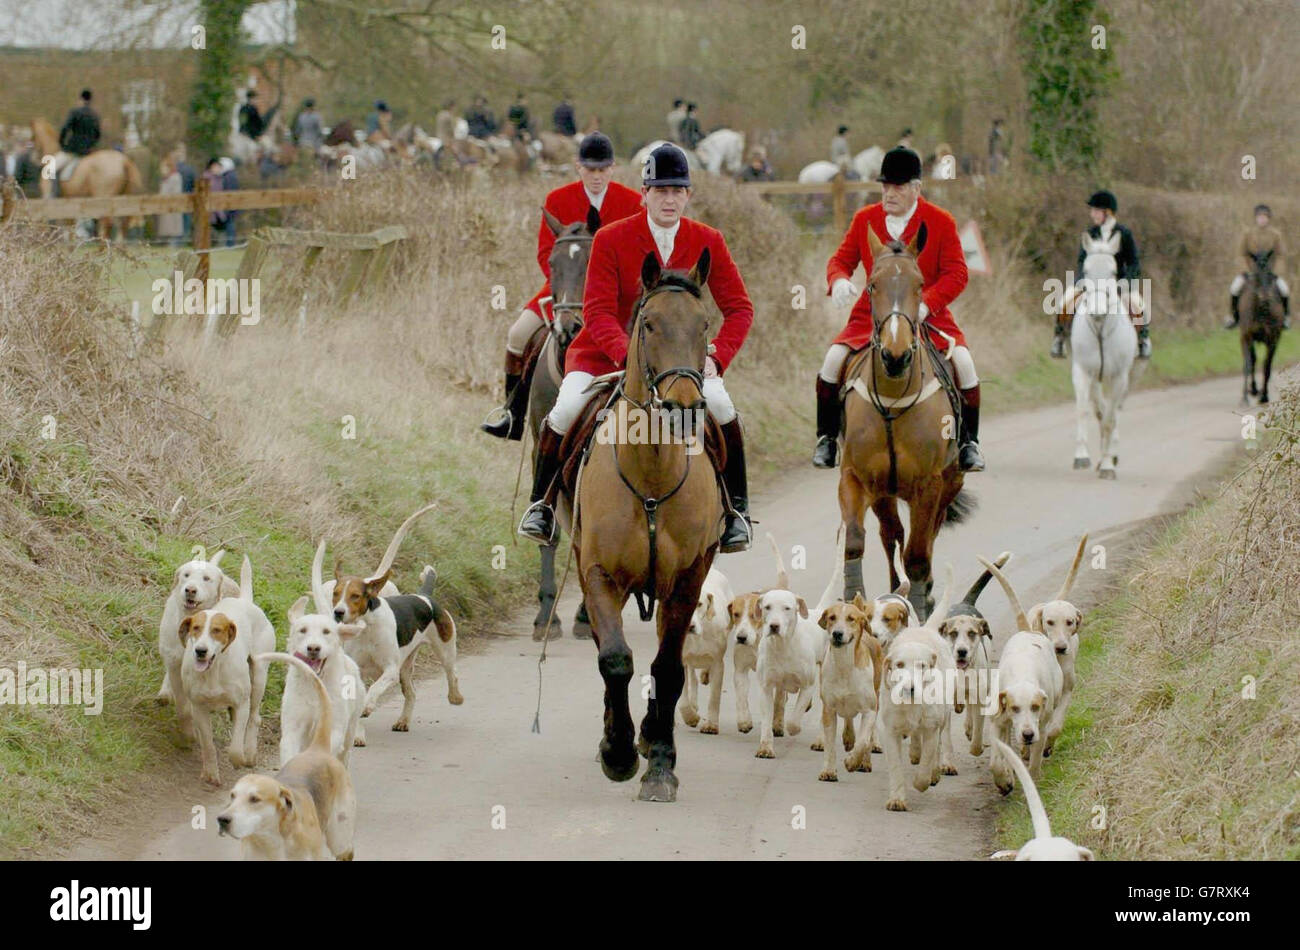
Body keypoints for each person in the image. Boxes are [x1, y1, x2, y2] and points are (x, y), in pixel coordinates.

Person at [518, 143, 755, 552]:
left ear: (688, 195)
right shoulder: (612, 237)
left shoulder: (708, 240)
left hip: (682, 365)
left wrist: (716, 356)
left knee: (722, 409)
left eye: (677, 190)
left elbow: (739, 308)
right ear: (643, 194)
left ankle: (735, 512)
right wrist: (629, 357)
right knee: (564, 409)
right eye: (660, 190)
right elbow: (595, 310)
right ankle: (541, 506)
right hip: (601, 355)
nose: (669, 198)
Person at [815, 146, 984, 472]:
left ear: (916, 189)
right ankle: (825, 439)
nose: (889, 194)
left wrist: (926, 305)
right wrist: (837, 280)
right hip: (872, 316)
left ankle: (967, 443)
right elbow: (840, 260)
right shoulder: (865, 218)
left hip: (928, 316)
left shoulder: (940, 221)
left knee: (965, 364)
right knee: (832, 360)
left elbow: (958, 274)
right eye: (886, 186)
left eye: (899, 187)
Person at [481, 132, 644, 441]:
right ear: (578, 167)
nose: (596, 176)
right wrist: (563, 290)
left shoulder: (632, 202)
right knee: (517, 335)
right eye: (589, 169)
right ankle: (512, 415)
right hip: (562, 291)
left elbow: (637, 250)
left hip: (615, 295)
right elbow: (545, 252)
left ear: (612, 168)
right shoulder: (557, 199)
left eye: (602, 169)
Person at [1051, 190, 1148, 359]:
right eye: (1092, 210)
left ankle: (1142, 340)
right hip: (1091, 281)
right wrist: (1081, 279)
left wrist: (1126, 281)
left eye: (1096, 210)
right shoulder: (1090, 233)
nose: (1092, 214)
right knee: (1066, 299)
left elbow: (1134, 263)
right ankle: (1059, 339)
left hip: (1118, 282)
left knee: (1137, 304)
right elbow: (1081, 261)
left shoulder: (1124, 233)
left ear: (1107, 212)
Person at [1226, 204, 1290, 329]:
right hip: (1251, 271)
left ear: (1268, 219)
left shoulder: (1276, 235)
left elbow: (1281, 255)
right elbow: (1241, 254)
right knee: (1234, 288)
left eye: (1265, 217)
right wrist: (1245, 271)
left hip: (1269, 272)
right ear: (1256, 218)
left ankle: (1286, 317)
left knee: (1284, 289)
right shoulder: (1247, 234)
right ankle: (1233, 317)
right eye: (1260, 217)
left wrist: (1276, 272)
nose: (1262, 220)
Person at [157, 155, 184, 246]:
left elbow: (176, 192)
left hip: (173, 208)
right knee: (167, 229)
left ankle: (174, 245)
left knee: (173, 230)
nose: (162, 170)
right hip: (165, 207)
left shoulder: (176, 177)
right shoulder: (165, 178)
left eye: (164, 167)